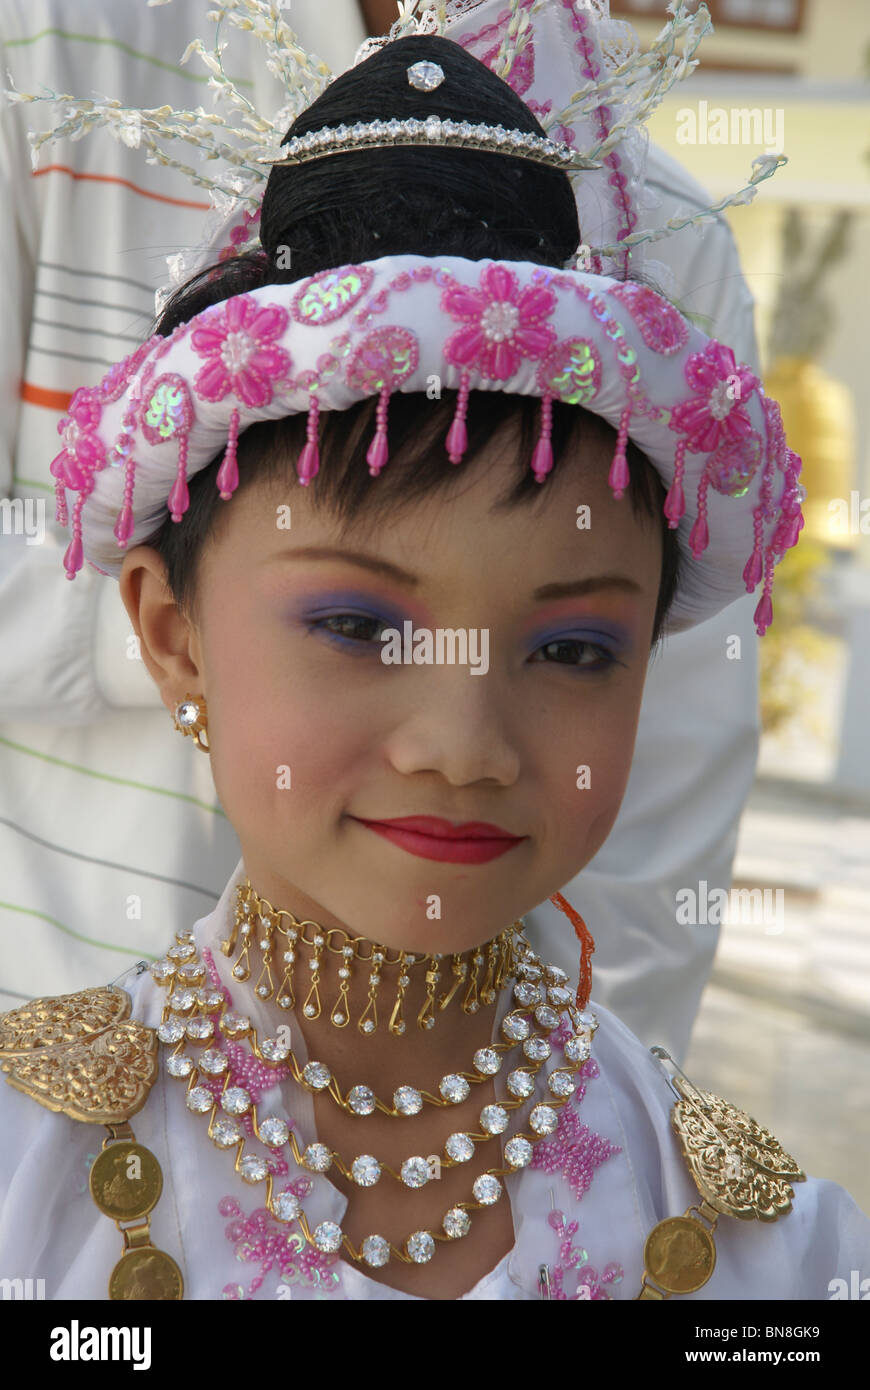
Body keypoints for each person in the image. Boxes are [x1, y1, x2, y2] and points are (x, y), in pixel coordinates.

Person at [2, 12, 865, 1302]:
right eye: (357, 628)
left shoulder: (758, 1246)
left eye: (574, 647)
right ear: (171, 638)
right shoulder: (29, 1179)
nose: (463, 747)